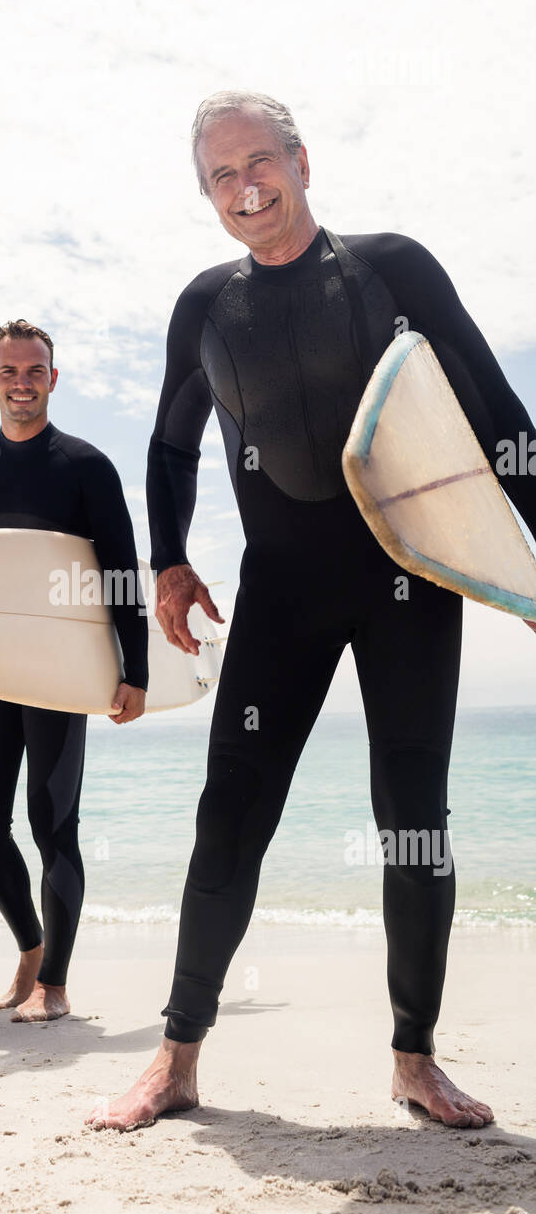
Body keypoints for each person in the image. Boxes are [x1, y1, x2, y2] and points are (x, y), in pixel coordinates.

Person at [89, 90, 536, 1129]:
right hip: (280, 590)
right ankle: (174, 1058)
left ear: (300, 158)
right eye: (220, 176)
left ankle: (413, 1059)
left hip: (408, 579)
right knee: (229, 817)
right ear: (206, 196)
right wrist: (164, 558)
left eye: (259, 162)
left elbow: (494, 409)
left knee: (413, 822)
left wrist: (525, 559)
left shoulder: (391, 268)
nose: (246, 187)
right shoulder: (204, 305)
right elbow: (167, 445)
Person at [0, 319, 147, 1021]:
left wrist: (132, 669)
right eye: (9, 371)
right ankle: (30, 947)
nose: (22, 382)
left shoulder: (84, 465)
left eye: (34, 369)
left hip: (56, 675)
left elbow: (119, 572)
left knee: (54, 827)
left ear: (54, 377)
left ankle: (55, 987)